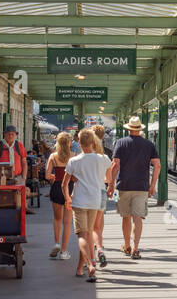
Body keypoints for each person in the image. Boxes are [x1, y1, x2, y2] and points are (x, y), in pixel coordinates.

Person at [106, 115, 161, 260]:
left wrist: (111, 184)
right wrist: (153, 185)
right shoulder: (149, 145)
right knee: (137, 218)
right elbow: (157, 165)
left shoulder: (120, 143)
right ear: (139, 128)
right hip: (142, 186)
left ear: (129, 128)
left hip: (124, 185)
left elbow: (115, 165)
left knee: (125, 217)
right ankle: (136, 249)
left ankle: (127, 246)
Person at [64, 128, 108, 279]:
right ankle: (79, 269)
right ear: (92, 142)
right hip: (95, 201)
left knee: (82, 236)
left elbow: (64, 184)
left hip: (80, 201)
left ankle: (89, 265)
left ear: (79, 142)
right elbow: (107, 176)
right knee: (89, 233)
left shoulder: (74, 161)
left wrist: (67, 198)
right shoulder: (101, 159)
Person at [44, 131, 73, 261]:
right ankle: (63, 251)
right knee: (67, 222)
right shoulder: (73, 157)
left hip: (56, 188)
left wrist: (55, 177)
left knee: (57, 219)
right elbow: (76, 176)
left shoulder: (53, 156)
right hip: (69, 188)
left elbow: (46, 175)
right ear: (69, 143)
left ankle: (56, 243)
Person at [90, 125, 114, 269]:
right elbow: (109, 176)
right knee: (99, 223)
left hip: (86, 193)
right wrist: (111, 186)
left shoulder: (83, 155)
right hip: (101, 190)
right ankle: (100, 244)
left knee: (88, 227)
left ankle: (92, 255)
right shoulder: (107, 153)